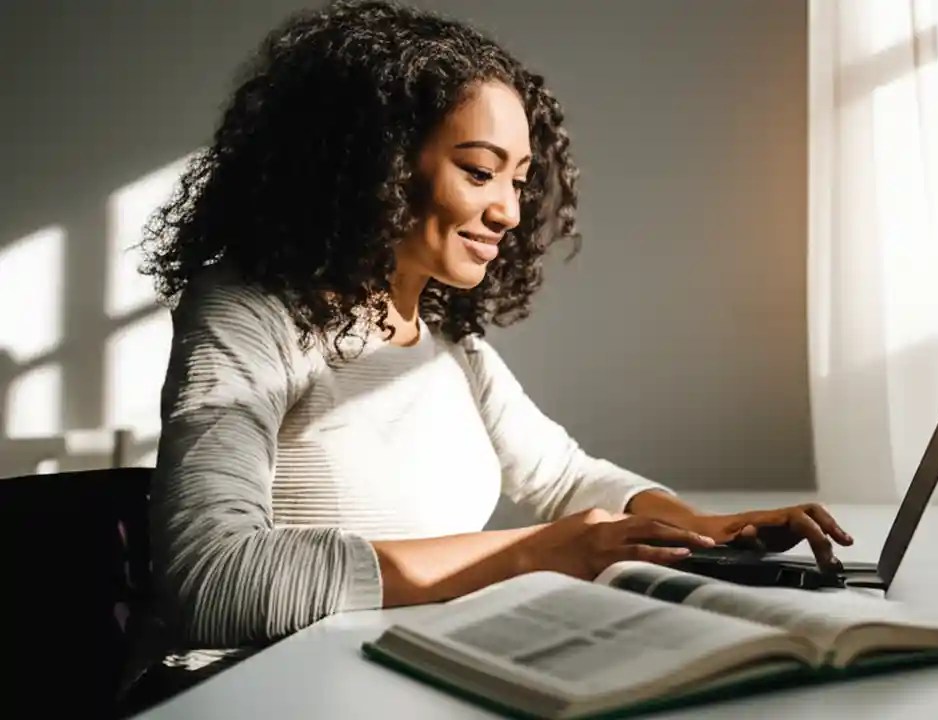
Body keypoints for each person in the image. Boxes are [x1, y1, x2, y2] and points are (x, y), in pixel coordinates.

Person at [124, 0, 852, 706]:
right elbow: (210, 580)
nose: (508, 209)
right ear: (372, 165)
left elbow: (566, 478)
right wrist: (527, 554)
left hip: (400, 678)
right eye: (479, 171)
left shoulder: (444, 338)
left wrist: (702, 530)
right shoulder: (250, 307)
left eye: (519, 179)